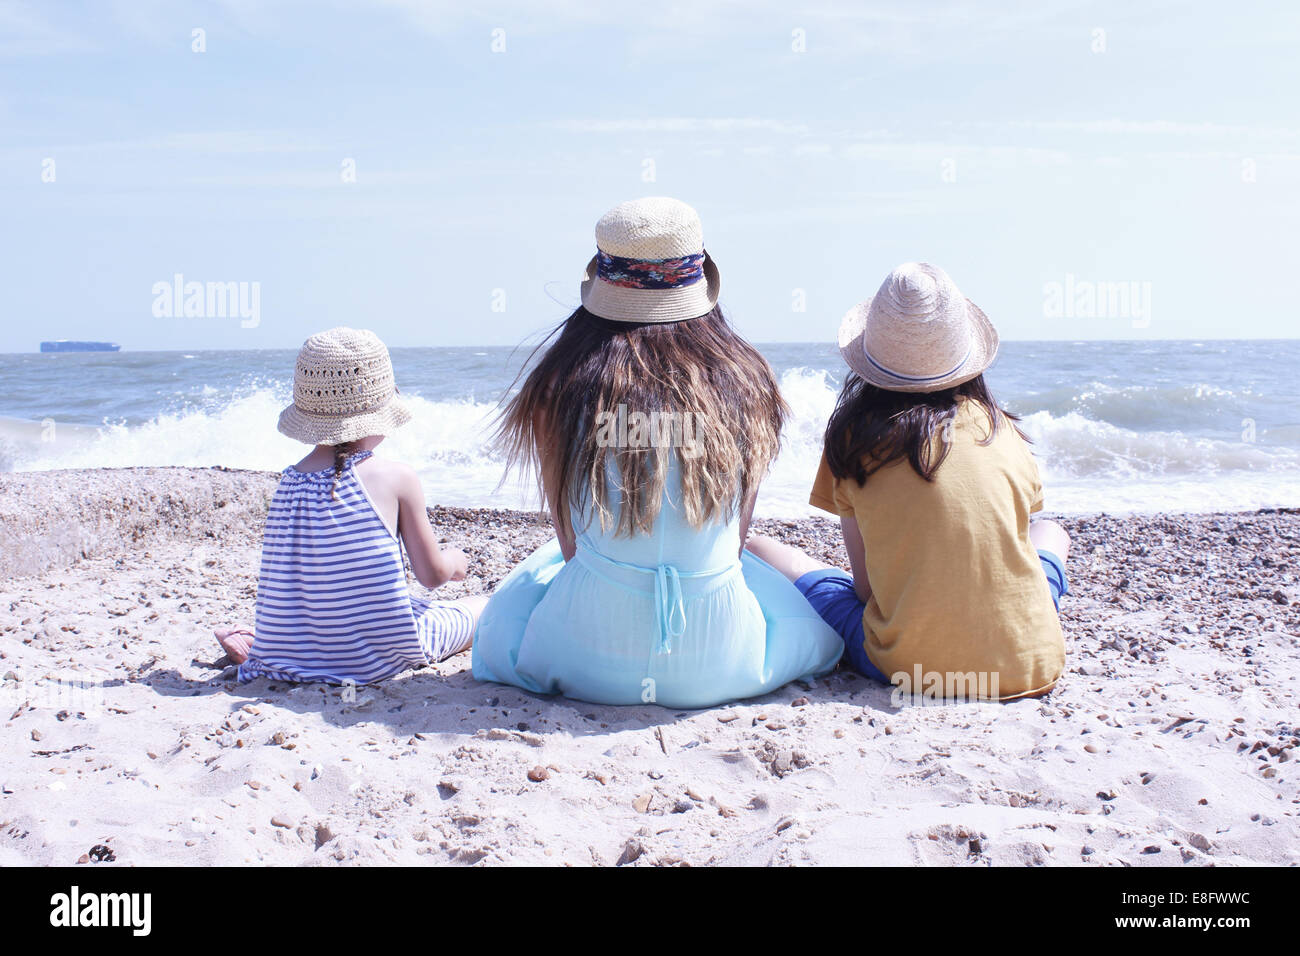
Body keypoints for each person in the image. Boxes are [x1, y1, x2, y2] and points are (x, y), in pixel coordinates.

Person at [472, 197, 843, 708]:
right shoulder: (747, 382)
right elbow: (734, 542)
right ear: (700, 281)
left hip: (587, 657)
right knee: (803, 620)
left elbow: (572, 544)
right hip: (720, 659)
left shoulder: (559, 385)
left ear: (602, 285)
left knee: (508, 611)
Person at [747, 262, 1069, 701]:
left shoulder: (853, 439)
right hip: (1031, 662)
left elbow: (865, 589)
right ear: (966, 357)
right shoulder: (1003, 431)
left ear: (871, 359)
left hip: (908, 666)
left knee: (768, 552)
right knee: (1050, 532)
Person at [214, 326, 485, 685]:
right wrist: (455, 560)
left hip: (288, 653)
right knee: (484, 607)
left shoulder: (288, 482)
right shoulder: (396, 478)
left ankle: (266, 647)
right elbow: (431, 576)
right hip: (370, 662)